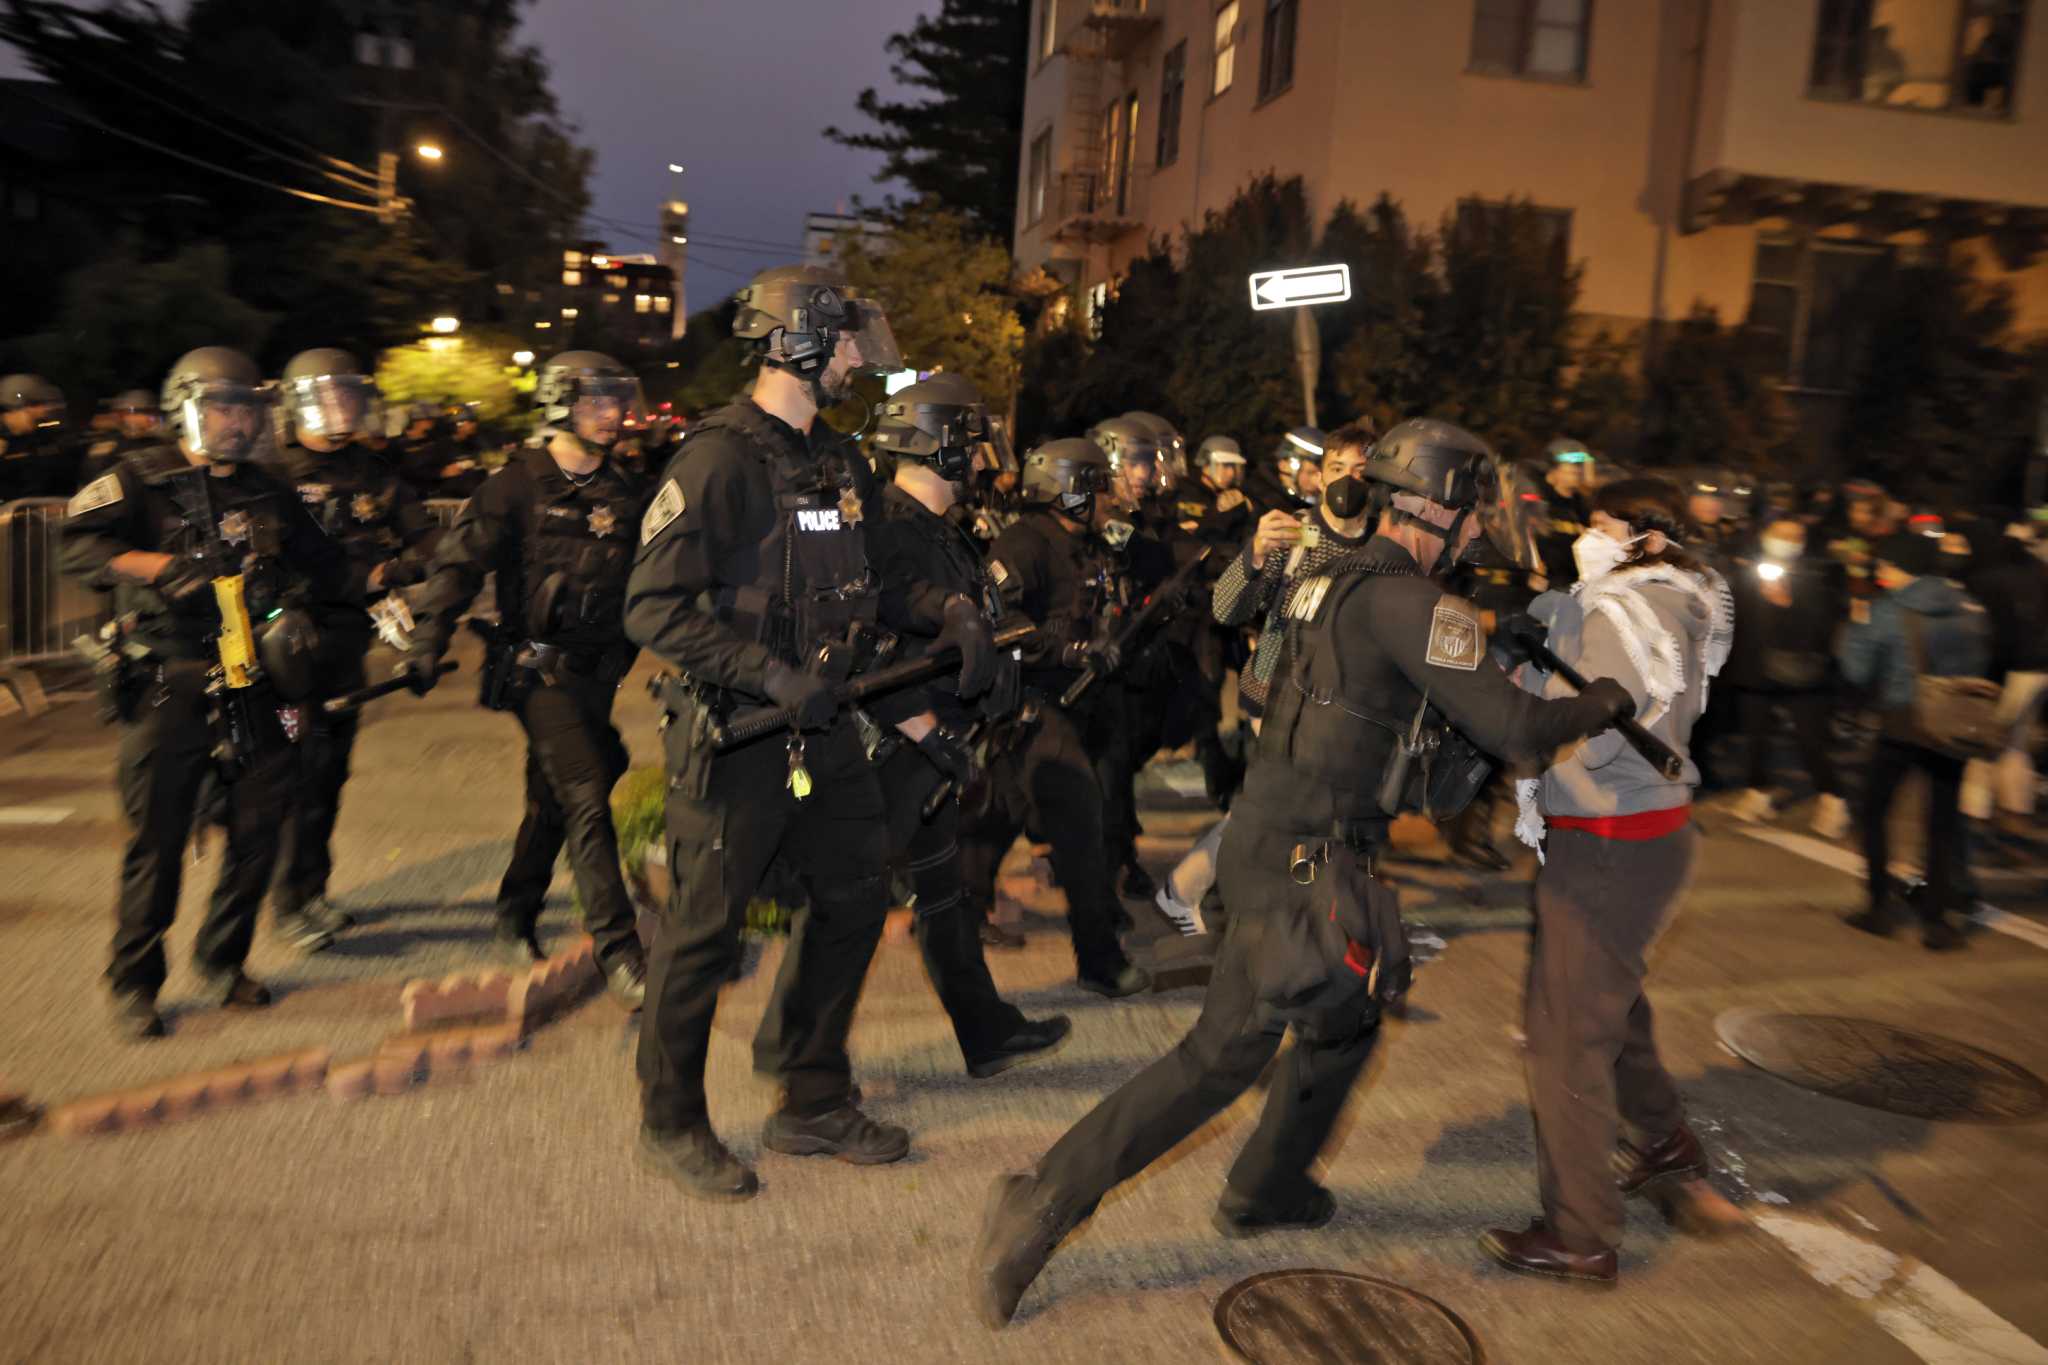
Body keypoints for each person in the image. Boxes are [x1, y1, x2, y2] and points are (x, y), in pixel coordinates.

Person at [971, 419, 1635, 1327]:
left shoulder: (1333, 574)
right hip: (1306, 857)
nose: (1478, 532)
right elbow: (1517, 733)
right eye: (1471, 515)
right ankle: (1042, 1200)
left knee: (1351, 1013)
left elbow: (1349, 674)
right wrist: (1601, 699)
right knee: (1221, 1056)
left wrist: (1494, 646)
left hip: (1272, 832)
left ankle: (1268, 1185)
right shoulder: (1415, 601)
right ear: (1435, 509)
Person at [628, 264, 928, 1198]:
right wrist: (767, 671)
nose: (852, 360)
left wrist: (951, 613)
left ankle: (811, 1097)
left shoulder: (841, 460)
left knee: (853, 900)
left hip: (825, 728)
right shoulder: (716, 459)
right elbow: (652, 608)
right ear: (796, 340)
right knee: (702, 935)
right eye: (841, 342)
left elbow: (877, 579)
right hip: (742, 733)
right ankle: (670, 1119)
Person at [59, 346, 356, 1040]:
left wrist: (391, 584)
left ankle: (222, 960)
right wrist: (158, 566)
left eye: (247, 410)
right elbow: (75, 544)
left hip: (257, 683)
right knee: (156, 842)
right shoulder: (135, 477)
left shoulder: (269, 487)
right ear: (186, 409)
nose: (236, 423)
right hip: (171, 681)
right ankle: (133, 982)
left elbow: (327, 563)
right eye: (223, 408)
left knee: (258, 833)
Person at [1480, 477, 1734, 1287]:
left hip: (1610, 841)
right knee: (1612, 1004)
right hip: (1653, 832)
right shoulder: (1675, 601)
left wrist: (1519, 679)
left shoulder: (1620, 609)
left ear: (1650, 539)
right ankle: (1662, 1139)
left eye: (1606, 527)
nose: (1588, 538)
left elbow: (1577, 731)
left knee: (1565, 1040)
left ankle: (1581, 1232)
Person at [403, 351, 651, 1003]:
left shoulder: (626, 490)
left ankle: (515, 908)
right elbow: (457, 564)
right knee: (586, 791)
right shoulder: (514, 485)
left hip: (599, 675)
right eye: (596, 401)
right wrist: (430, 636)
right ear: (558, 404)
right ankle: (619, 950)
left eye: (616, 400)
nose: (612, 414)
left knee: (556, 795)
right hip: (535, 671)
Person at [858, 372, 1072, 1077]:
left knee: (943, 894)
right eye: (973, 443)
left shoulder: (939, 531)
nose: (982, 458)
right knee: (849, 906)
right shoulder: (889, 529)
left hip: (935, 744)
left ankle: (985, 1033)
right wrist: (924, 728)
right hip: (900, 744)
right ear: (940, 445)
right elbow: (878, 630)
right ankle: (800, 1059)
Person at [1154, 422, 1380, 930]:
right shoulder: (1291, 532)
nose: (1346, 481)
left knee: (1281, 811)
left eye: (1360, 472)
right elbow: (1227, 609)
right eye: (1337, 469)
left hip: (1346, 707)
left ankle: (1193, 890)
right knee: (1293, 810)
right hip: (1277, 698)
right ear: (1318, 477)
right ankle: (1276, 917)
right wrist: (1254, 555)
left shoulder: (1382, 546)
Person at [957, 437, 1152, 998]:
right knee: (1079, 829)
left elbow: (1124, 577)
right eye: (1098, 488)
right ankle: (1100, 960)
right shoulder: (1024, 543)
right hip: (1032, 710)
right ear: (1069, 492)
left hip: (1072, 708)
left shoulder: (1085, 542)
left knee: (992, 829)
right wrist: (1064, 652)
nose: (1107, 498)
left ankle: (952, 929)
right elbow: (999, 617)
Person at [264, 347, 437, 951]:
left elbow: (427, 536)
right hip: (284, 647)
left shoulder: (373, 471)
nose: (343, 408)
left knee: (329, 773)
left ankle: (310, 892)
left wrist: (400, 571)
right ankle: (285, 902)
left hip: (347, 642)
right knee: (293, 770)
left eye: (349, 396)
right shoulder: (274, 472)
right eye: (330, 395)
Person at [1838, 532, 1991, 950]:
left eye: (1884, 564)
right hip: (1955, 720)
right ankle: (1938, 920)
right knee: (1943, 820)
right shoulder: (1967, 604)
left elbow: (1857, 670)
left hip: (1904, 723)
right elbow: (1984, 657)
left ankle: (1878, 908)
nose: (1880, 570)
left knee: (1874, 810)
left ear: (1899, 566)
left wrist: (1856, 623)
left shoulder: (1886, 610)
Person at [1725, 517, 1851, 837]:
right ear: (1765, 536)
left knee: (1811, 740)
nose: (1788, 540)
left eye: (1796, 536)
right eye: (1781, 534)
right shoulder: (1745, 574)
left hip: (1803, 673)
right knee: (1756, 737)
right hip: (1754, 670)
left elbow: (1823, 629)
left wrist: (1786, 606)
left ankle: (1833, 799)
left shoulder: (1817, 576)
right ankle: (1758, 792)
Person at [1958, 513, 2048, 855]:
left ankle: (1974, 816)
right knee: (2017, 745)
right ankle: (2016, 816)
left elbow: (1994, 633)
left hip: (2010, 669)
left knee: (1983, 744)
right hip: (2041, 669)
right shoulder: (2040, 572)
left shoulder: (1988, 578)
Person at [1, 372, 78, 498]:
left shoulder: (45, 438)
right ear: (14, 408)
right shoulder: (4, 442)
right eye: (36, 404)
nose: (45, 409)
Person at [1534, 437, 1595, 589]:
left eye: (1580, 467)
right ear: (1552, 468)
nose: (1577, 470)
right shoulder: (1534, 500)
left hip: (1574, 584)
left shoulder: (1583, 506)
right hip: (1540, 585)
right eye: (1571, 467)